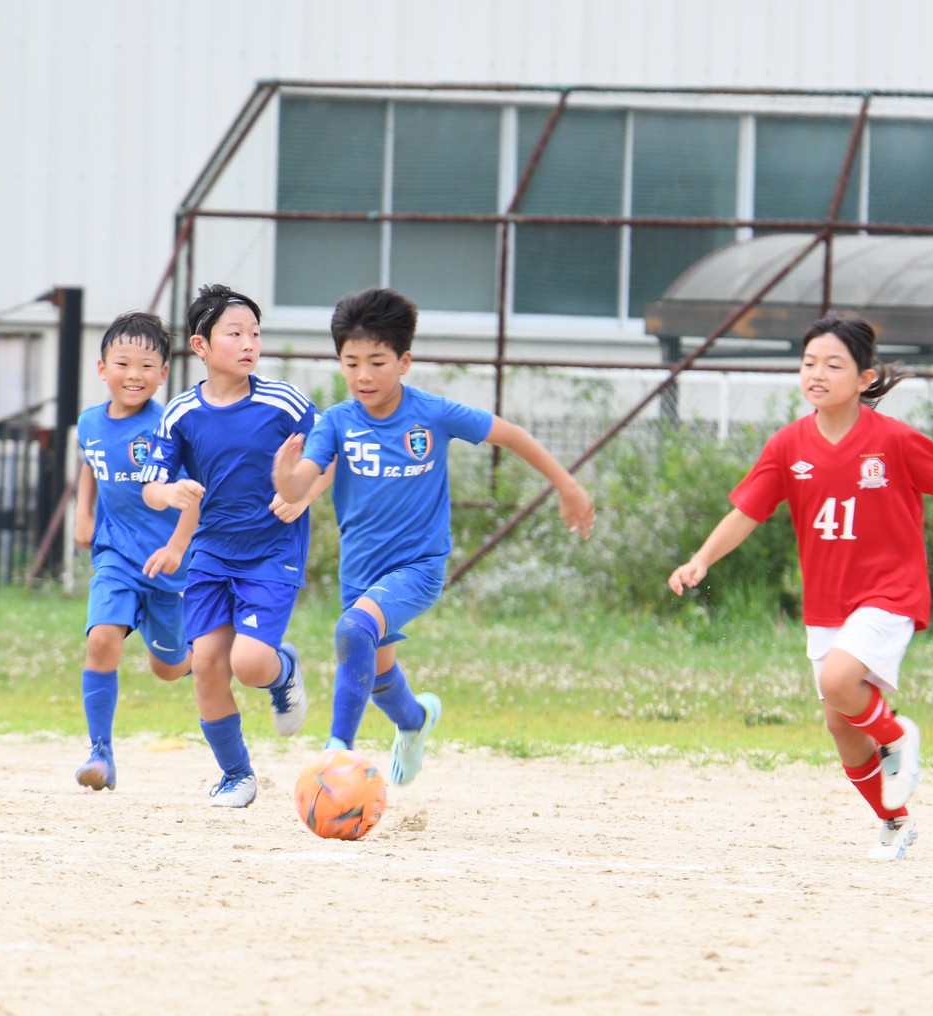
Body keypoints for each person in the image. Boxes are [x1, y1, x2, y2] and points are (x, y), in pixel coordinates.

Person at [668, 316, 933, 861]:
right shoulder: (788, 446)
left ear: (864, 379)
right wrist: (701, 558)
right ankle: (895, 821)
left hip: (890, 590)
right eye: (809, 362)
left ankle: (899, 737)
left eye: (834, 364)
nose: (817, 373)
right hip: (826, 604)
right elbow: (746, 513)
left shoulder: (893, 441)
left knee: (839, 681)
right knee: (840, 723)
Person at [273, 287, 595, 786]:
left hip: (418, 568)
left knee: (353, 632)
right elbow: (303, 478)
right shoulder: (336, 421)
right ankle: (416, 721)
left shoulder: (433, 414)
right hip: (360, 569)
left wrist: (568, 486)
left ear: (404, 362)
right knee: (377, 673)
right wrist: (286, 480)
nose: (363, 375)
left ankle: (338, 753)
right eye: (350, 362)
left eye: (377, 361)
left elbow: (512, 435)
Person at [140, 284, 332, 808]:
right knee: (206, 665)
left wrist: (303, 494)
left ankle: (283, 670)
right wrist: (169, 491)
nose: (249, 343)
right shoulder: (181, 413)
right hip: (211, 554)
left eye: (255, 333)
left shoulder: (283, 402)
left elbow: (328, 451)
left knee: (248, 664)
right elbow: (151, 486)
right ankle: (236, 775)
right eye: (235, 333)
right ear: (201, 347)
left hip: (272, 551)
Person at [71, 311, 198, 791]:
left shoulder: (169, 425)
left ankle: (210, 657)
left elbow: (193, 492)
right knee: (101, 637)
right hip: (116, 556)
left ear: (163, 374)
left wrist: (178, 546)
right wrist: (83, 515)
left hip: (169, 567)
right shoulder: (89, 422)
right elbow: (91, 463)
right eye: (122, 363)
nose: (134, 375)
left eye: (147, 366)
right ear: (102, 368)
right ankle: (100, 753)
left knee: (170, 670)